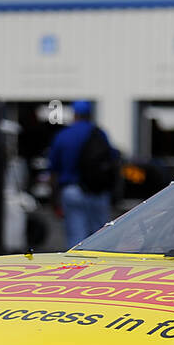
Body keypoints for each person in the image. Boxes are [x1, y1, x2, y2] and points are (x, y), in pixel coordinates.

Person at [48, 100, 118, 248]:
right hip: (98, 191)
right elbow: (112, 161)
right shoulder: (100, 134)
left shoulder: (64, 135)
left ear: (74, 114)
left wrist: (54, 198)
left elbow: (54, 169)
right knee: (101, 236)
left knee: (76, 236)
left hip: (72, 190)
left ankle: (78, 269)